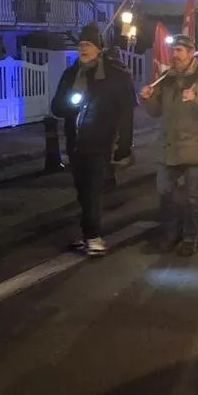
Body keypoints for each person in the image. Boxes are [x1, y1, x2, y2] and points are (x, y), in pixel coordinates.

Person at [51, 23, 136, 257]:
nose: (84, 49)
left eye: (88, 45)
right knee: (82, 191)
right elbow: (56, 107)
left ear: (99, 49)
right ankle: (88, 233)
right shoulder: (70, 74)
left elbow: (126, 112)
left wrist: (124, 145)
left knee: (92, 190)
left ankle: (93, 236)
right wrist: (68, 102)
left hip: (100, 142)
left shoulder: (113, 75)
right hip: (76, 143)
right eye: (81, 45)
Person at [139, 34, 198, 257]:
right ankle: (170, 233)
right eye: (173, 51)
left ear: (191, 52)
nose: (174, 55)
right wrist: (148, 98)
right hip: (169, 148)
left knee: (193, 197)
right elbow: (156, 112)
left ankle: (190, 237)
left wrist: (197, 98)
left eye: (179, 51)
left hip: (195, 148)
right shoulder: (166, 78)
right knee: (165, 194)